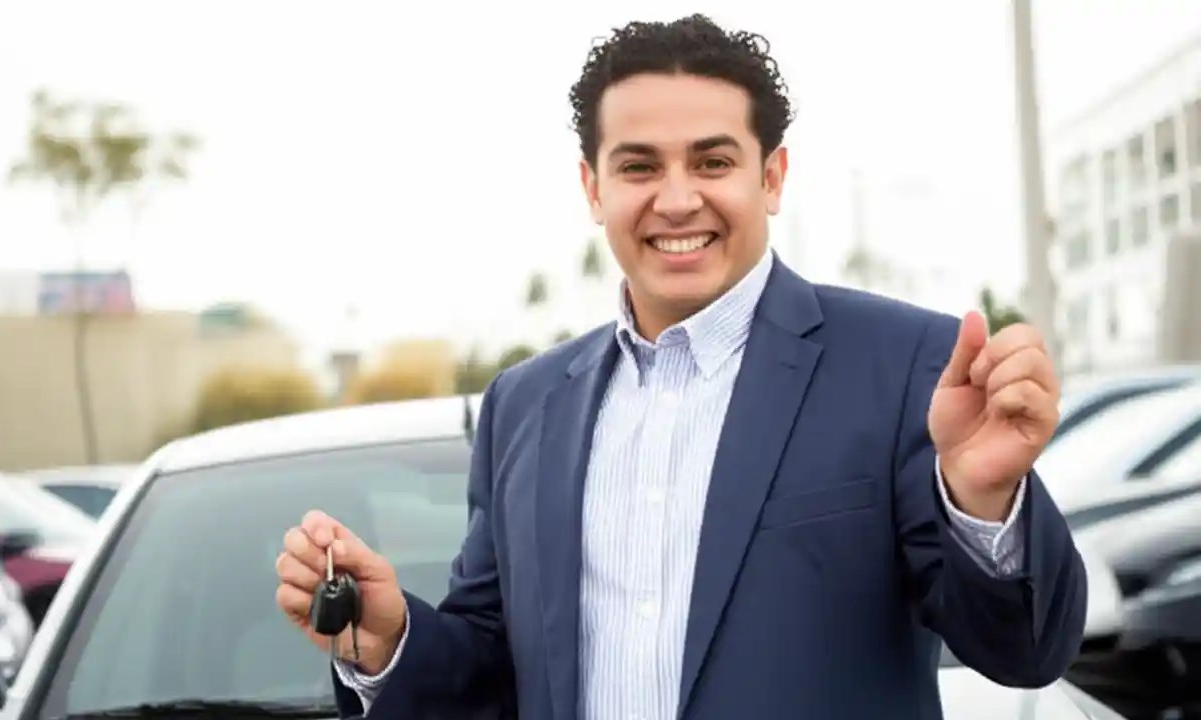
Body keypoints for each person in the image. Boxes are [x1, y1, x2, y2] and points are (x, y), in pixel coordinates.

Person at [275, 14, 1087, 719]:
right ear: (594, 188)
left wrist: (983, 504)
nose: (675, 199)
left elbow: (1025, 654)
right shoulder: (522, 407)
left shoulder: (906, 368)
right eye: (639, 167)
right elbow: (494, 674)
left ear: (771, 177)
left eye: (712, 162)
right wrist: (389, 639)